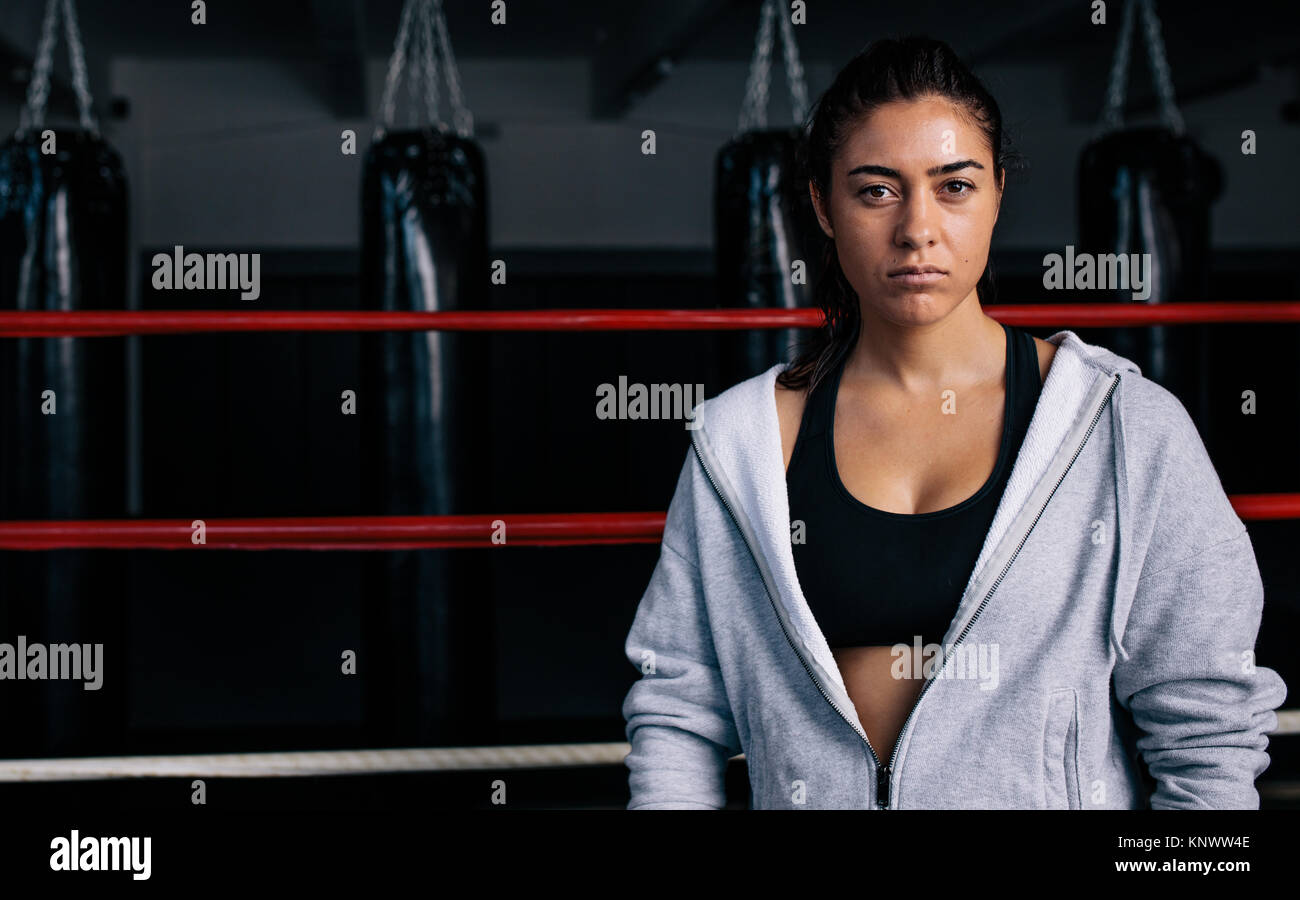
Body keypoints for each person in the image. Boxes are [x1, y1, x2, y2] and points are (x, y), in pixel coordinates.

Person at [620, 35, 1287, 809]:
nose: (917, 229)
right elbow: (677, 713)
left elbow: (1206, 734)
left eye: (955, 186)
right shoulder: (740, 444)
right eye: (876, 190)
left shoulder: (1126, 429)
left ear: (998, 193)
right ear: (821, 207)